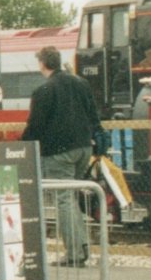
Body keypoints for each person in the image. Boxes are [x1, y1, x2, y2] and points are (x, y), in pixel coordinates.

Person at [22, 46, 102, 267]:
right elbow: (94, 115)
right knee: (71, 197)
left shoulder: (44, 90)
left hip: (58, 152)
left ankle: (75, 252)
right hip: (83, 148)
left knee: (63, 199)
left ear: (42, 63)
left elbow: (35, 126)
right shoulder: (81, 83)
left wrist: (19, 146)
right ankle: (82, 246)